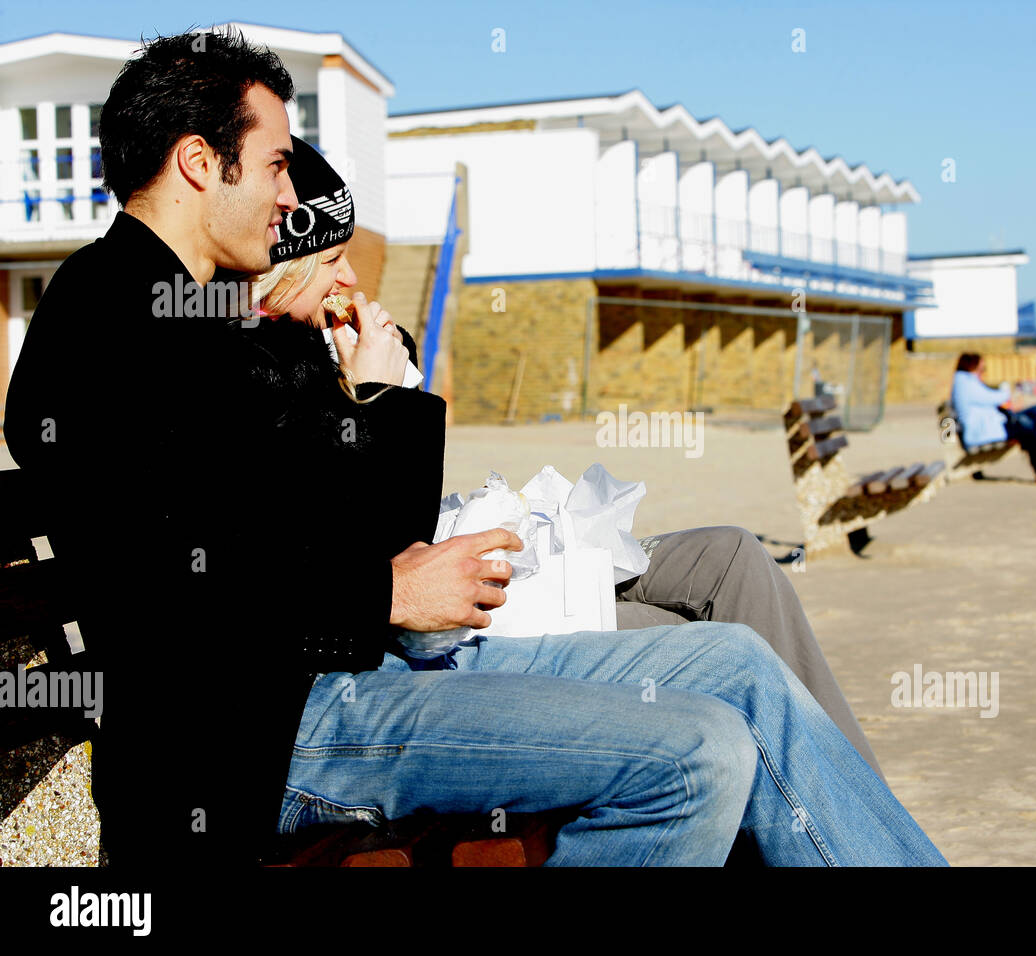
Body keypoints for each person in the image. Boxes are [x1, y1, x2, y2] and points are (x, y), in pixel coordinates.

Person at [5, 30, 943, 866]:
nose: (293, 199)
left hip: (339, 678)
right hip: (256, 738)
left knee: (738, 663)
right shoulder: (104, 325)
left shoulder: (191, 316)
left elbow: (345, 526)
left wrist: (377, 401)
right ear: (201, 162)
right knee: (699, 755)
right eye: (279, 166)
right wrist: (389, 591)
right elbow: (165, 589)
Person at [248, 135, 892, 781]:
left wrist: (385, 382)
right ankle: (843, 818)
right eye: (333, 258)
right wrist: (379, 398)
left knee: (732, 555)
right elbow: (387, 541)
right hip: (418, 630)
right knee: (714, 651)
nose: (352, 278)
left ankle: (859, 795)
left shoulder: (331, 342)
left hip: (476, 571)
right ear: (283, 265)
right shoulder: (254, 373)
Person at [949, 353, 1036, 484]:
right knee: (1034, 428)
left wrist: (1007, 401)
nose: (983, 372)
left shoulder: (967, 381)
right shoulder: (964, 382)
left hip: (993, 425)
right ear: (972, 367)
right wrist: (1008, 395)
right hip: (985, 431)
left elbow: (987, 400)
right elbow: (990, 398)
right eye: (982, 369)